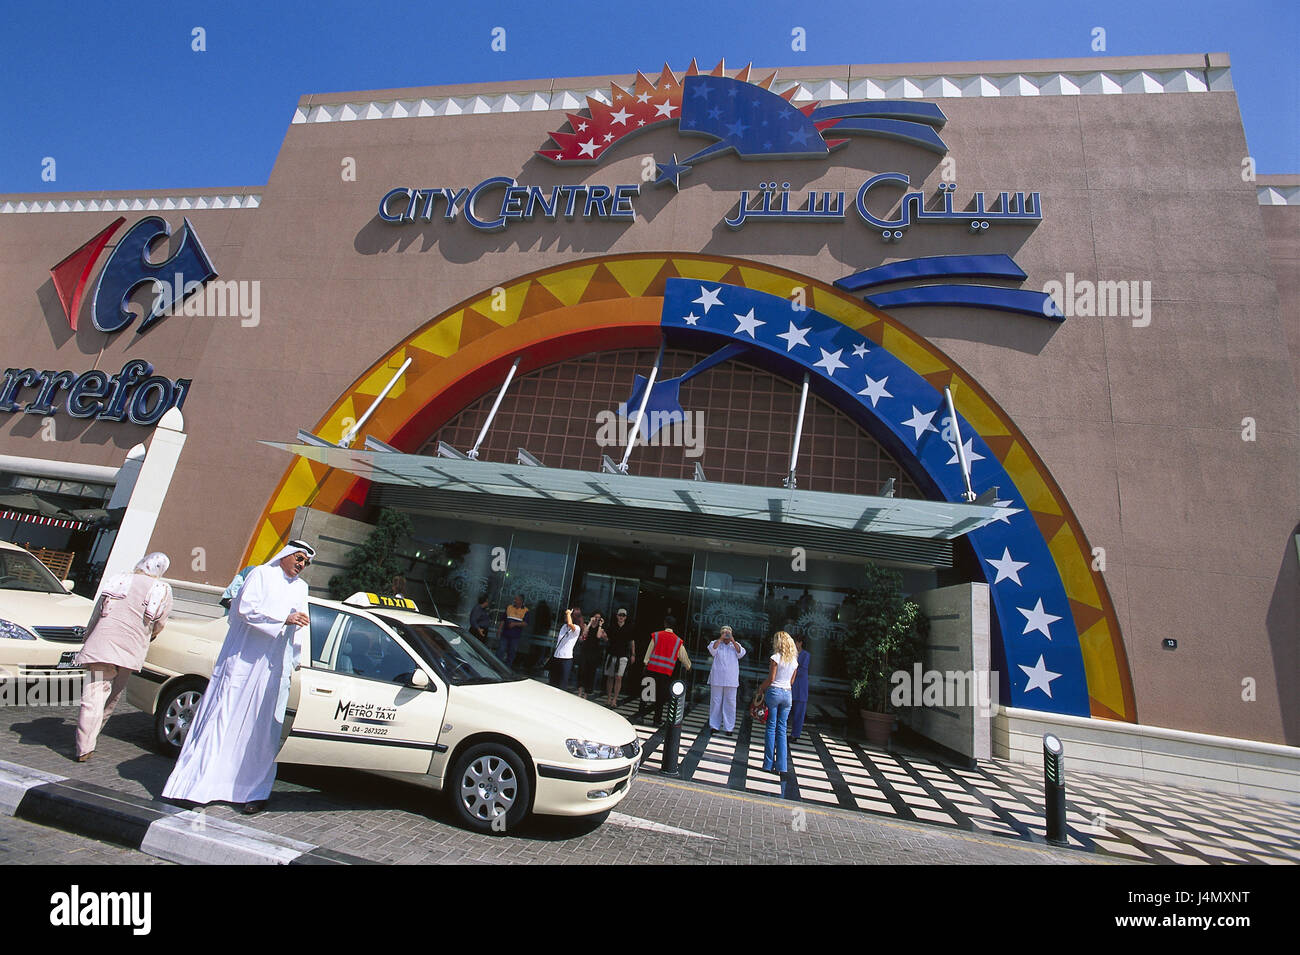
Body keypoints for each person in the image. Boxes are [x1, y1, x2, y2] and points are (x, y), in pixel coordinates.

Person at [162, 539, 314, 815]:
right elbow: (245, 609)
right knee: (223, 719)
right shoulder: (261, 574)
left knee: (261, 732)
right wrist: (283, 618)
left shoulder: (301, 588)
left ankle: (251, 792)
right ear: (286, 555)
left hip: (272, 670)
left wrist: (294, 661)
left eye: (306, 562)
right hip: (242, 665)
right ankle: (197, 788)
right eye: (299, 558)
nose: (301, 565)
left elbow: (301, 627)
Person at [72, 553, 173, 761]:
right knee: (113, 696)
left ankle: (85, 746)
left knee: (93, 697)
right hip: (131, 648)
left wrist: (88, 637)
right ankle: (92, 737)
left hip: (102, 644)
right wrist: (150, 635)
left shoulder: (119, 579)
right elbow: (160, 622)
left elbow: (97, 612)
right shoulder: (162, 589)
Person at [757, 630, 798, 775]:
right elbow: (792, 682)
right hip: (787, 694)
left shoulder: (775, 657)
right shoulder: (794, 661)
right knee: (782, 729)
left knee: (770, 728)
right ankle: (781, 766)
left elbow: (771, 679)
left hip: (774, 692)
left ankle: (768, 764)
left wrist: (761, 689)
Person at [640, 615, 691, 725]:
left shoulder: (656, 636)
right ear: (674, 626)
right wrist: (688, 666)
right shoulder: (678, 641)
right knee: (660, 697)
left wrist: (645, 662)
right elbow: (683, 657)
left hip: (652, 669)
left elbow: (649, 651)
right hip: (665, 673)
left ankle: (641, 716)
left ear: (665, 624)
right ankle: (657, 719)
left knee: (646, 694)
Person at [706, 625, 747, 735]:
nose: (726, 635)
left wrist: (732, 640)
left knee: (730, 703)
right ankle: (714, 725)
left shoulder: (735, 645)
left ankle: (729, 728)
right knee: (715, 702)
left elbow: (741, 653)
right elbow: (712, 650)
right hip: (717, 678)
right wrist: (720, 638)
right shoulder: (715, 643)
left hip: (731, 679)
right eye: (724, 632)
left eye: (728, 633)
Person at [604, 608, 635, 707]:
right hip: (612, 654)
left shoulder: (629, 628)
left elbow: (631, 641)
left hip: (623, 655)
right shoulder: (612, 627)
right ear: (617, 616)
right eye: (620, 615)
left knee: (618, 677)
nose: (621, 617)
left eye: (623, 615)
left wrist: (633, 654)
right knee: (610, 677)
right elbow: (606, 637)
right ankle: (609, 697)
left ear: (625, 617)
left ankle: (615, 699)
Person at [576, 610, 606, 699]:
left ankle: (586, 694)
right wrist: (589, 623)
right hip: (585, 650)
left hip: (594, 653)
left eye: (598, 618)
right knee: (582, 670)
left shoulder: (600, 628)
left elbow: (598, 636)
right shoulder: (586, 625)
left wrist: (600, 625)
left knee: (590, 672)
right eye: (595, 617)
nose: (596, 619)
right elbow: (584, 634)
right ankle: (580, 692)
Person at [551, 607, 582, 690]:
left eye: (569, 615)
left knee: (562, 683)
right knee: (553, 682)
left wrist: (568, 613)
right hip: (557, 656)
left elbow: (571, 625)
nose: (566, 616)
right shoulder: (564, 626)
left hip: (566, 659)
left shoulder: (577, 628)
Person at [789, 633, 811, 741]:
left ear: (800, 643)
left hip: (800, 688)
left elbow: (802, 671)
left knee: (799, 712)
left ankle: (795, 734)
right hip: (790, 686)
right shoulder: (790, 654)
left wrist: (792, 669)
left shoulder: (805, 655)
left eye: (795, 642)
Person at [498, 594, 528, 667]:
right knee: (501, 650)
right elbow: (503, 620)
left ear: (521, 601)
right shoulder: (509, 607)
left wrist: (515, 624)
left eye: (516, 599)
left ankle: (507, 667)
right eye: (515, 599)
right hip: (505, 634)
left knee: (511, 652)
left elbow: (525, 623)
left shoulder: (525, 610)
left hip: (515, 636)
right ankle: (497, 665)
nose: (515, 601)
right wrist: (499, 630)